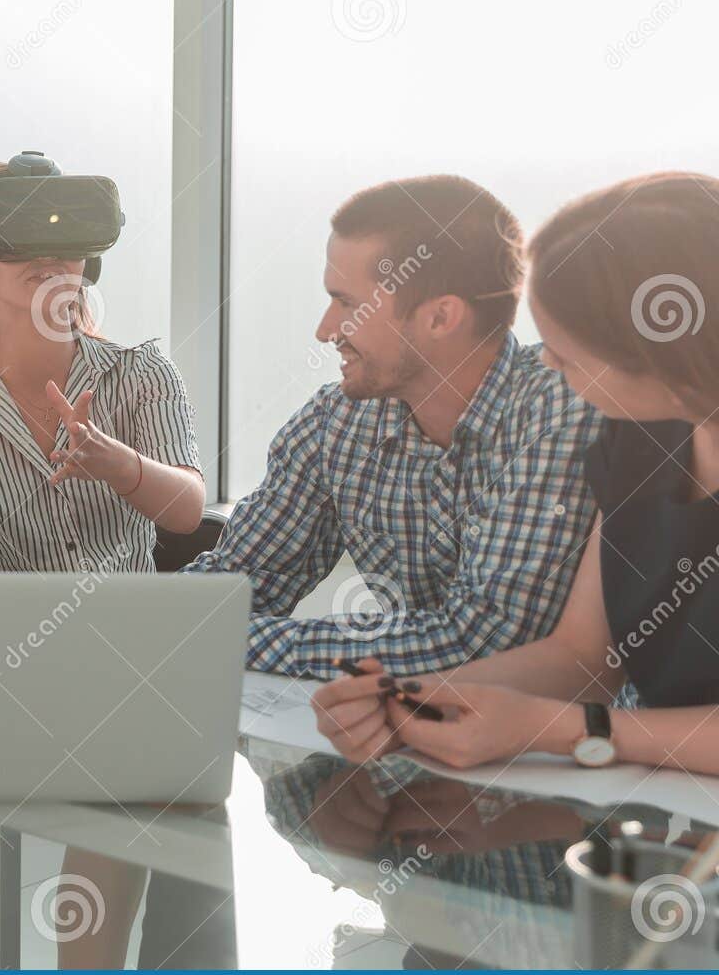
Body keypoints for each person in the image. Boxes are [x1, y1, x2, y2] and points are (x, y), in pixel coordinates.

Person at [314, 172, 719, 775]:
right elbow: (581, 657)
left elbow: (580, 709)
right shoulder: (636, 440)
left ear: (659, 345)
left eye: (567, 347)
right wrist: (408, 698)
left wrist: (566, 730)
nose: (548, 363)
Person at [186, 175, 601, 678]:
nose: (325, 330)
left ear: (440, 317)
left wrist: (227, 638)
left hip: (567, 745)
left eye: (346, 303)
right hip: (419, 731)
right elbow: (236, 584)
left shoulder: (560, 412)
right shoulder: (334, 420)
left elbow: (481, 643)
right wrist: (148, 624)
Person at [0, 153, 205, 572]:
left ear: (88, 265)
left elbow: (188, 510)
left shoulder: (142, 375)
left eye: (65, 239)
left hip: (128, 629)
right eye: (21, 236)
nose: (47, 254)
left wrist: (121, 465)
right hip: (4, 633)